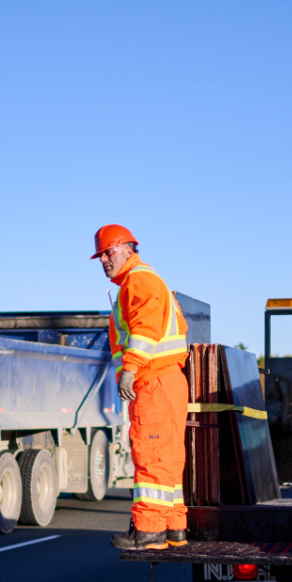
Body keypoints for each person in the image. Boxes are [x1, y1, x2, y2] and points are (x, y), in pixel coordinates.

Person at [91, 224, 190, 550]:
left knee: (151, 455)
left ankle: (148, 530)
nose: (104, 259)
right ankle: (174, 527)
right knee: (169, 458)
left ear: (128, 248)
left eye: (109, 251)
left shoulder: (139, 280)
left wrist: (129, 371)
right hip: (167, 380)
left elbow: (145, 329)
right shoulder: (148, 279)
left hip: (153, 382)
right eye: (101, 255)